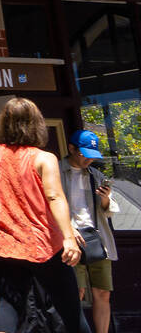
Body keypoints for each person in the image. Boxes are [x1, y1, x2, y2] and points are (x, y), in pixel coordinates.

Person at [0, 96, 84, 333]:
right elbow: (55, 197)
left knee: (9, 305)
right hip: (43, 244)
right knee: (70, 308)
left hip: (4, 243)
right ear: (36, 123)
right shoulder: (44, 158)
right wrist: (68, 236)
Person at [63, 129, 119, 333]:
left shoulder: (96, 174)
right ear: (71, 148)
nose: (88, 159)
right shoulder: (57, 172)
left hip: (97, 239)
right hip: (69, 238)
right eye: (84, 154)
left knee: (103, 292)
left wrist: (105, 197)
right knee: (74, 292)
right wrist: (67, 229)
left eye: (92, 156)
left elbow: (109, 210)